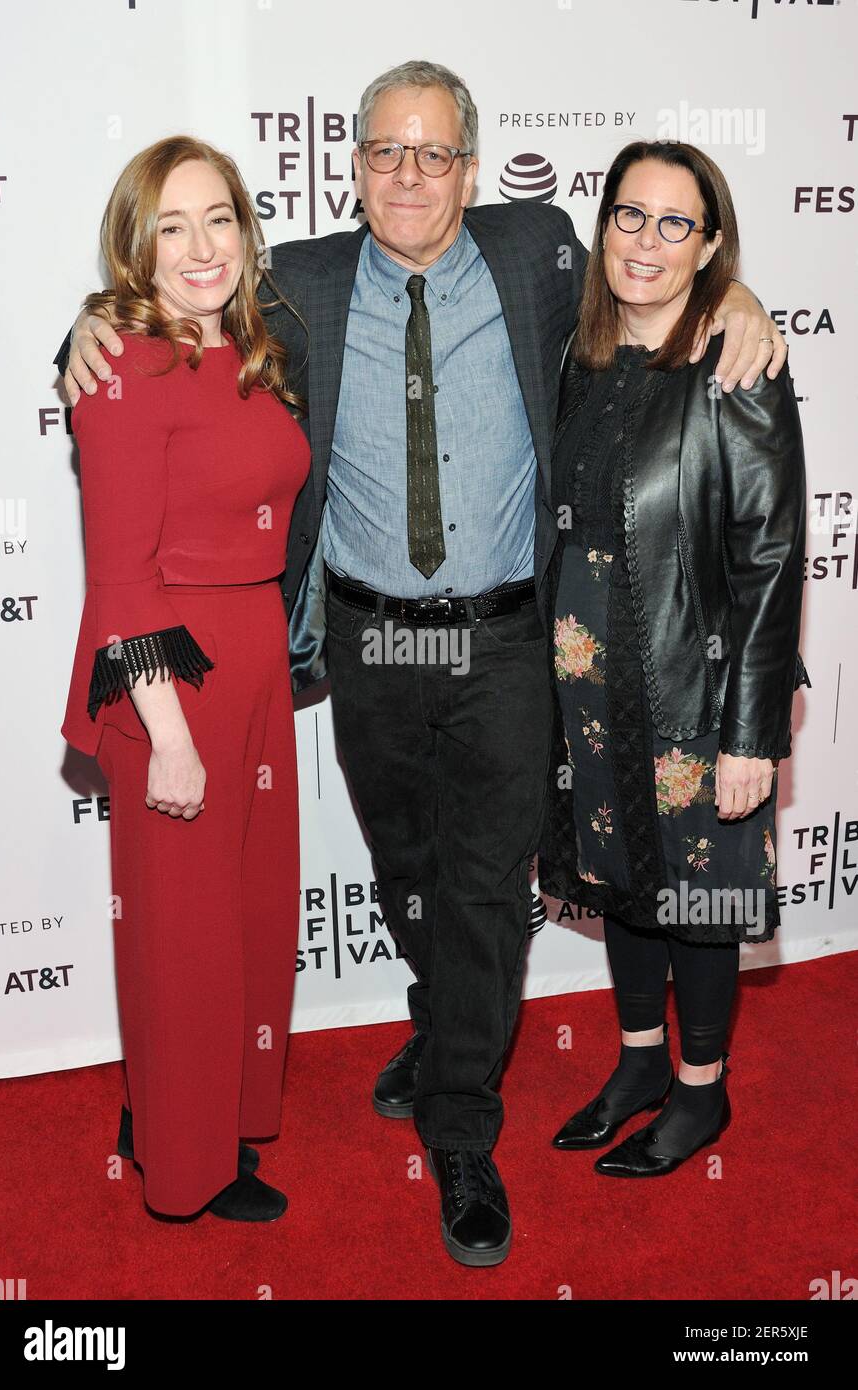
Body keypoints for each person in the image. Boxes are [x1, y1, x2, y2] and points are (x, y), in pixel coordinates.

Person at [56, 62, 787, 1265]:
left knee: (488, 889)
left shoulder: (539, 249)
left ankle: (459, 1125)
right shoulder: (292, 279)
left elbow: (652, 277)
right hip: (361, 638)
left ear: (470, 166)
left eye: (432, 153)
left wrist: (739, 294)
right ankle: (439, 1014)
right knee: (409, 870)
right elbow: (159, 317)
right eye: (384, 152)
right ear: (349, 167)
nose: (408, 175)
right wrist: (78, 330)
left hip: (503, 634)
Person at [538, 140, 807, 1176]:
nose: (644, 241)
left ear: (708, 247)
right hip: (591, 690)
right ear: (601, 224)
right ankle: (639, 1062)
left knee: (695, 896)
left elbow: (771, 556)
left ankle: (702, 1089)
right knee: (620, 880)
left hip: (691, 693)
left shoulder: (734, 367)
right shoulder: (582, 357)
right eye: (627, 216)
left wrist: (748, 733)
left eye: (673, 224)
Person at [60, 136, 310, 1221]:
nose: (201, 245)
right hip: (171, 672)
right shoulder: (119, 364)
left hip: (255, 658)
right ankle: (186, 1167)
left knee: (243, 918)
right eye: (172, 225)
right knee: (183, 935)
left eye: (219, 219)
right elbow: (118, 579)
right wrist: (166, 733)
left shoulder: (253, 350)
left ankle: (186, 1115)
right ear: (138, 248)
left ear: (249, 235)